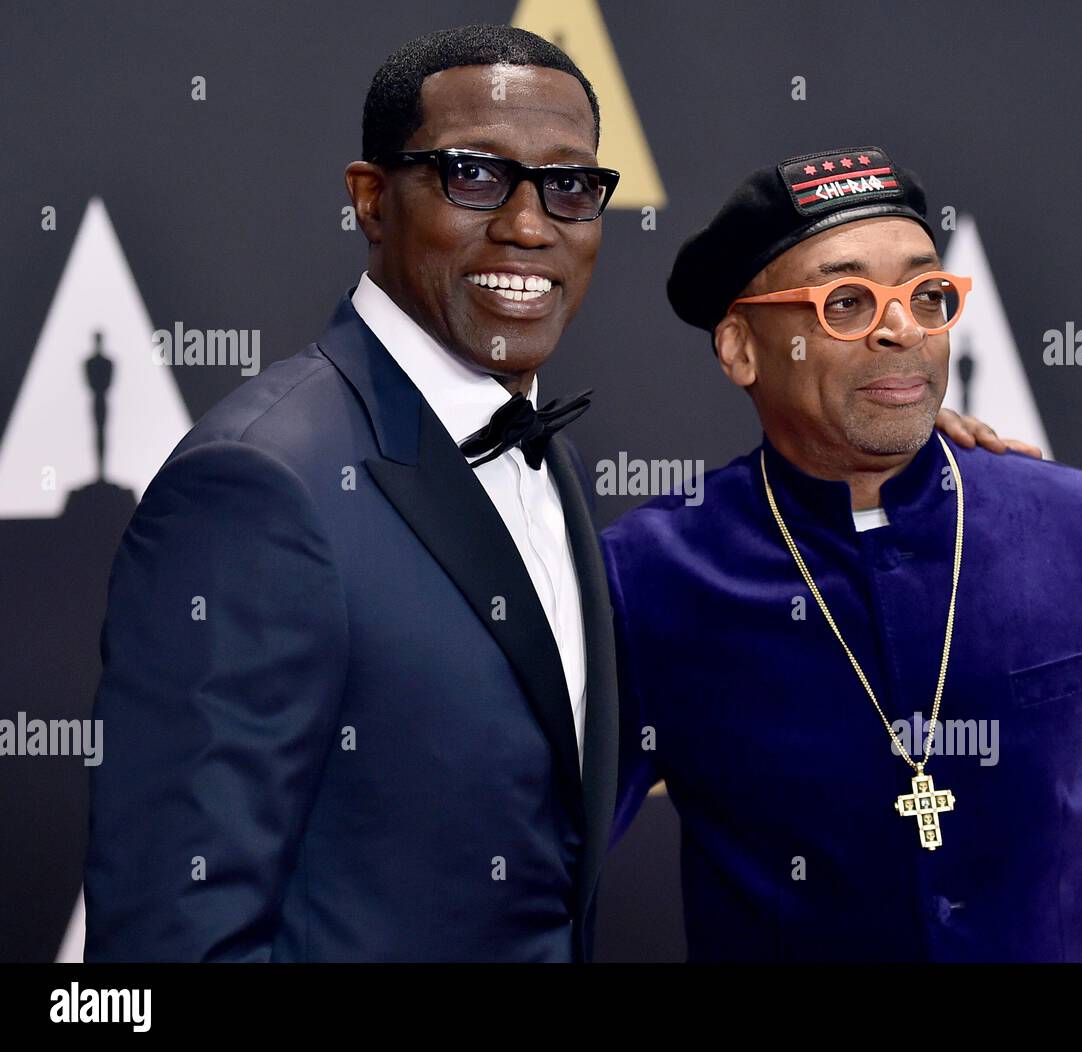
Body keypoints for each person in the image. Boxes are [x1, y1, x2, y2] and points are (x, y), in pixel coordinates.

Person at [83, 21, 1025, 962]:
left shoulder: (546, 459)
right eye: (473, 175)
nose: (529, 227)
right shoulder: (259, 482)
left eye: (569, 186)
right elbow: (172, 935)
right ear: (371, 200)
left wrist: (892, 435)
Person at [602, 146, 1082, 961]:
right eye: (846, 302)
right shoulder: (649, 573)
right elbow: (552, 853)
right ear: (741, 348)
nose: (902, 328)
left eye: (926, 295)